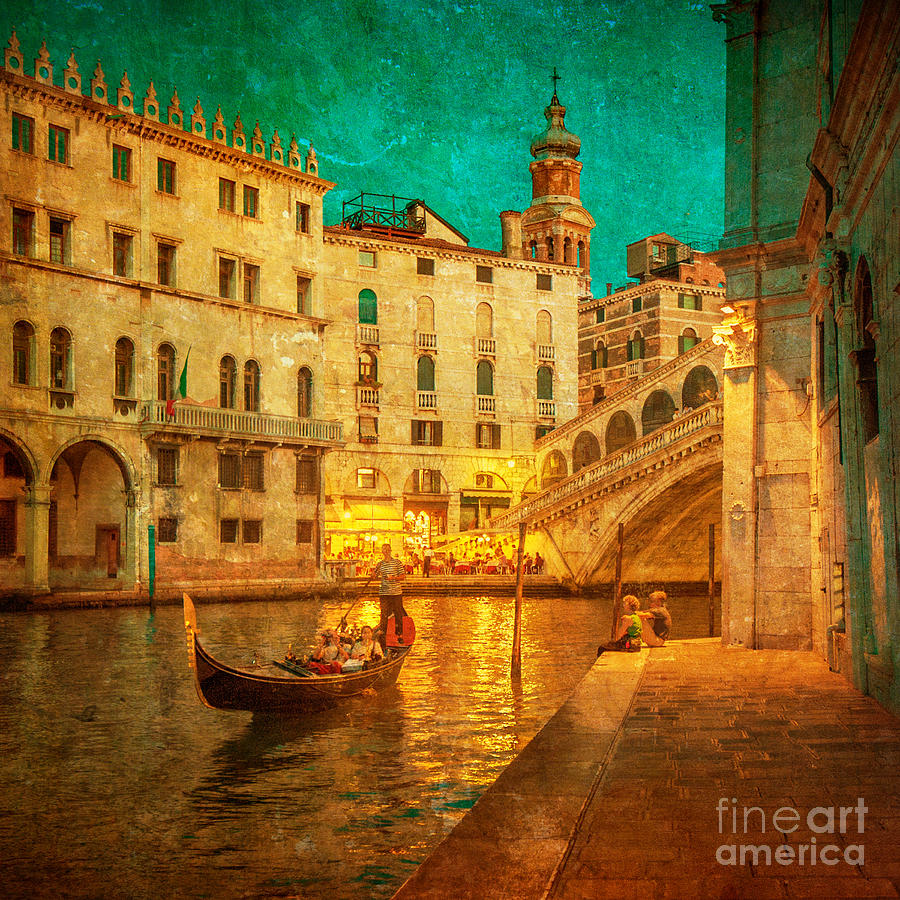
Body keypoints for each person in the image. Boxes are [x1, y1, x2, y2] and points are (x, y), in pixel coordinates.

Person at [373, 543, 408, 643]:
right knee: (383, 613)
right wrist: (373, 575)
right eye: (384, 549)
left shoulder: (397, 562)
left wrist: (394, 578)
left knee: (398, 613)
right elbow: (375, 576)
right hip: (384, 592)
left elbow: (403, 576)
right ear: (382, 552)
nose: (386, 551)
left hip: (396, 592)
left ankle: (399, 634)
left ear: (390, 550)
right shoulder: (380, 564)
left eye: (388, 549)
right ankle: (383, 634)